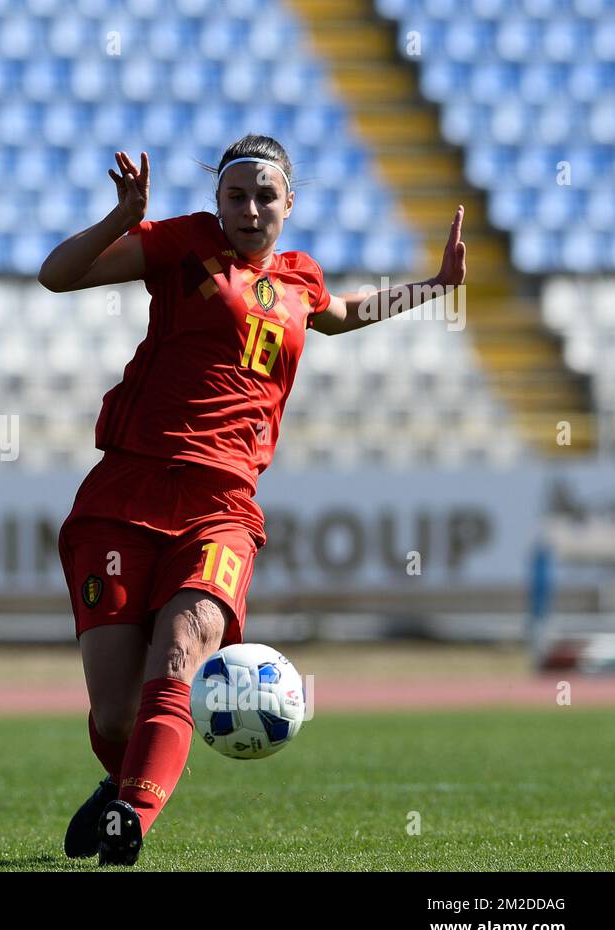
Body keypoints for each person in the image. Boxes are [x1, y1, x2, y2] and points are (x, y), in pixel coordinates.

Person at [38, 133, 466, 865]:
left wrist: (432, 286)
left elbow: (343, 313)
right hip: (126, 490)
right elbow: (57, 276)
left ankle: (130, 818)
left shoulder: (302, 280)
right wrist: (123, 217)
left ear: (289, 204)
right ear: (218, 201)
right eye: (236, 195)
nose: (250, 207)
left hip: (223, 505)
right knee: (115, 712)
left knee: (180, 650)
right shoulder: (184, 246)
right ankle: (124, 780)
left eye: (265, 195)